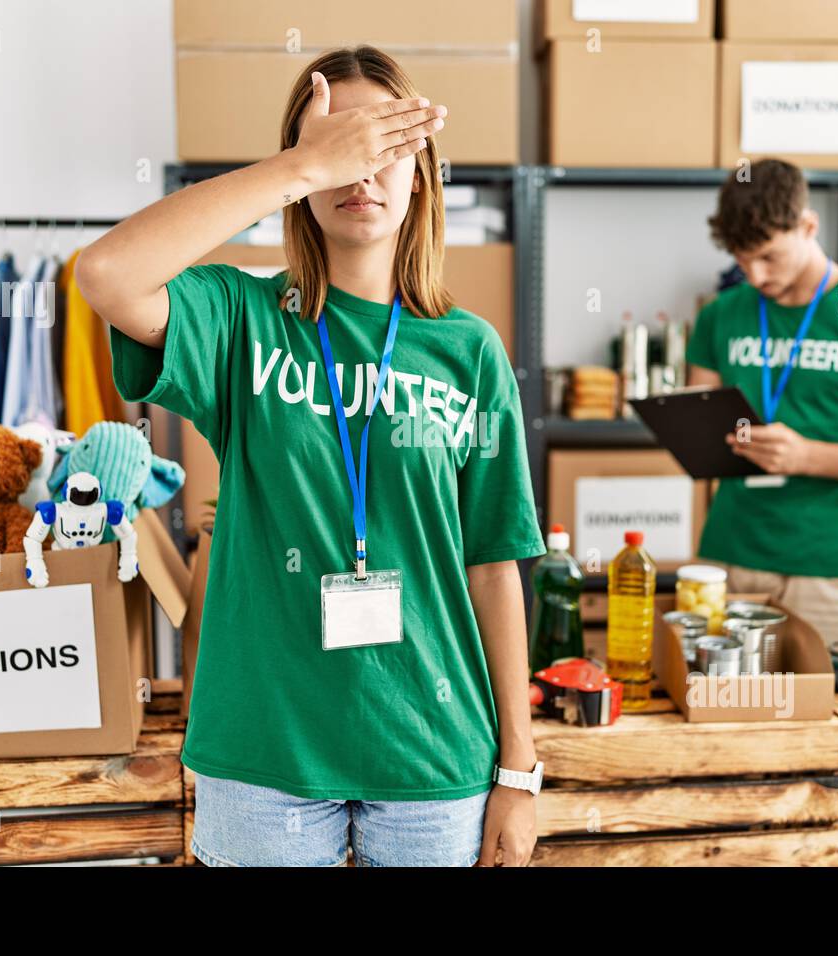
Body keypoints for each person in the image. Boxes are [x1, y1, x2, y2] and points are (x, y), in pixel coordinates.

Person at [75, 45, 547, 867]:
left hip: (433, 750)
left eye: (383, 145)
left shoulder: (470, 351)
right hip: (265, 752)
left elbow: (493, 565)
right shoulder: (241, 318)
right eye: (339, 144)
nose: (360, 169)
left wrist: (520, 769)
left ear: (421, 172)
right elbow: (108, 273)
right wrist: (298, 166)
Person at [686, 159, 838, 651]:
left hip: (829, 569)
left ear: (808, 226)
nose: (754, 275)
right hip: (731, 557)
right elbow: (698, 419)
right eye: (742, 258)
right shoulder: (719, 316)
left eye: (769, 257)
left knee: (829, 717)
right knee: (724, 712)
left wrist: (805, 457)